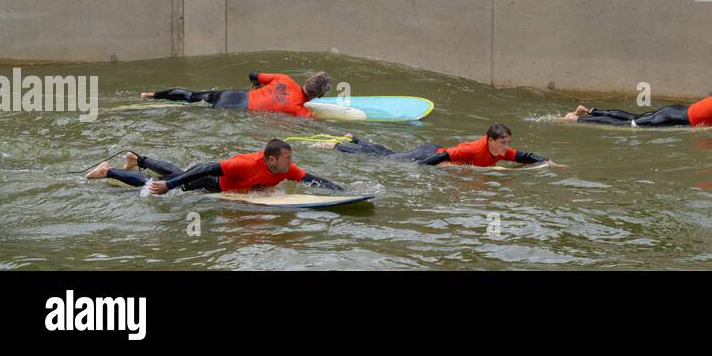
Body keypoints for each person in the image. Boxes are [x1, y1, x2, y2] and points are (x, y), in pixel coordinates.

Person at [86, 139, 343, 195]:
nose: (291, 163)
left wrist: (342, 191)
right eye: (287, 158)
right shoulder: (244, 164)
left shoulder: (287, 169)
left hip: (211, 178)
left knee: (174, 170)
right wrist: (169, 186)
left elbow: (311, 179)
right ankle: (107, 170)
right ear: (271, 159)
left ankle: (137, 159)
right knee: (157, 184)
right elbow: (205, 169)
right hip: (209, 181)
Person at [563, 74, 712, 128]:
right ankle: (579, 120)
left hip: (676, 111)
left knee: (633, 117)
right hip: (672, 117)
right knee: (630, 125)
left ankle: (589, 110)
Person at [331, 124, 556, 167]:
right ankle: (338, 146)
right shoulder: (472, 149)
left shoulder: (501, 152)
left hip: (433, 151)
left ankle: (355, 139)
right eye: (503, 142)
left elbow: (524, 156)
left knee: (389, 153)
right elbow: (442, 157)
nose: (507, 147)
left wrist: (547, 162)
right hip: (428, 154)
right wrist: (421, 169)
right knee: (386, 159)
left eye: (508, 142)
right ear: (490, 141)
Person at [140, 70, 331, 118]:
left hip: (234, 96)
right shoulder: (300, 111)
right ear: (320, 96)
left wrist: (256, 85)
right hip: (238, 110)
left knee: (190, 97)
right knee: (196, 112)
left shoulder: (284, 79)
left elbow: (253, 74)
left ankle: (151, 95)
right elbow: (312, 125)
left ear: (307, 80)